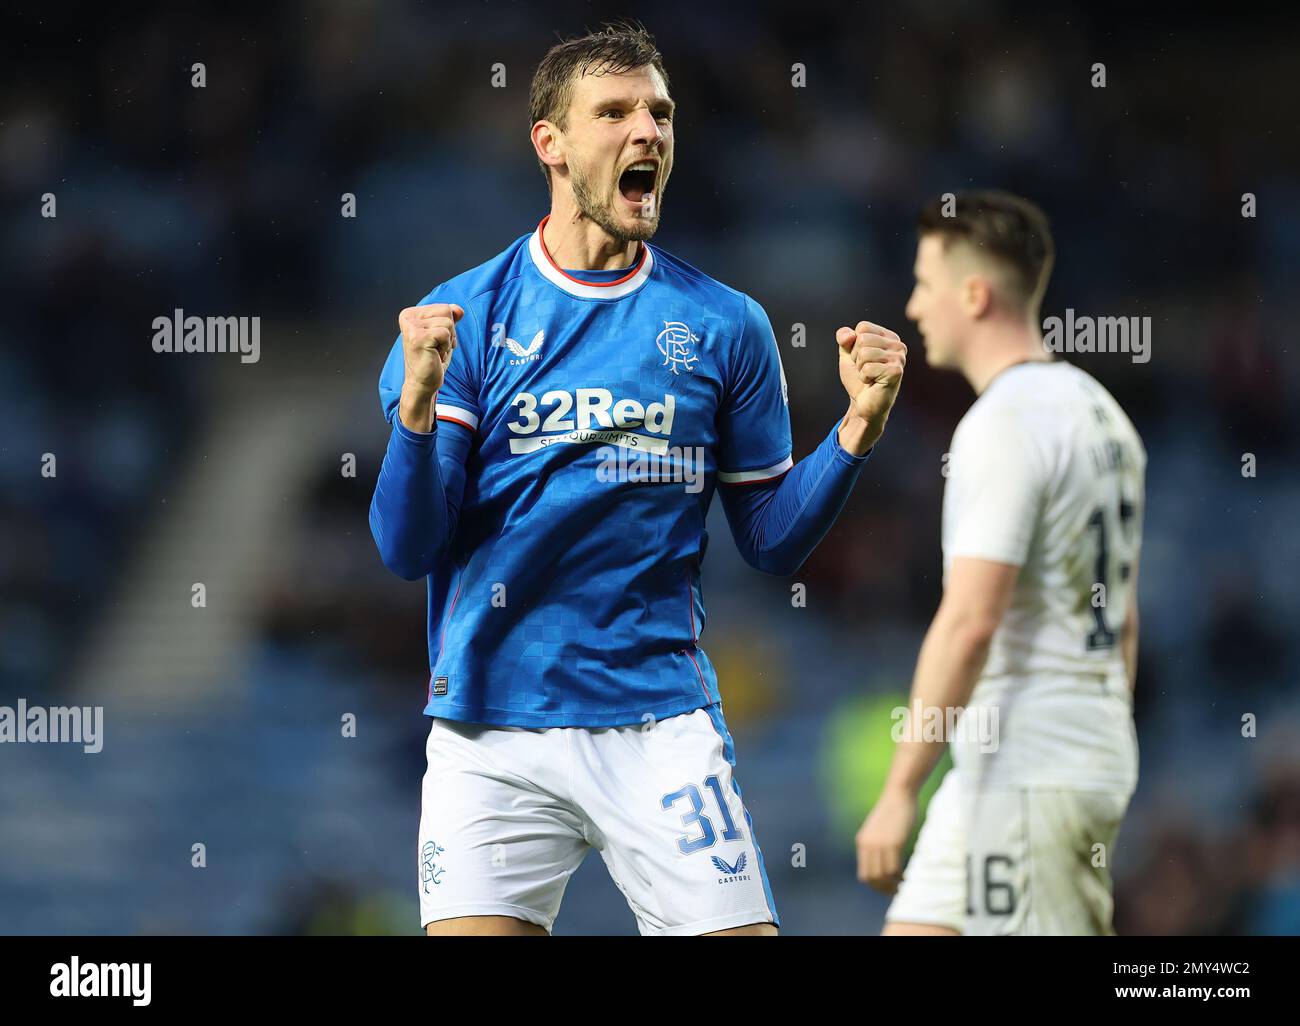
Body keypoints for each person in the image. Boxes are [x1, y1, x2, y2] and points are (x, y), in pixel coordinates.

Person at [369, 20, 906, 936]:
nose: (646, 131)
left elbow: (771, 539)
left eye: (659, 112)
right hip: (492, 730)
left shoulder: (727, 326)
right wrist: (416, 411)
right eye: (613, 112)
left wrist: (855, 429)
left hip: (657, 724)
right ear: (551, 143)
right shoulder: (467, 318)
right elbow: (406, 545)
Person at [857, 191, 1144, 935]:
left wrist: (899, 790)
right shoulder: (1103, 414)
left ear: (975, 295)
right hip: (1024, 761)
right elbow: (1125, 620)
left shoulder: (1003, 423)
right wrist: (1102, 732)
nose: (915, 306)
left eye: (924, 283)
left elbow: (970, 622)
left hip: (1031, 767)